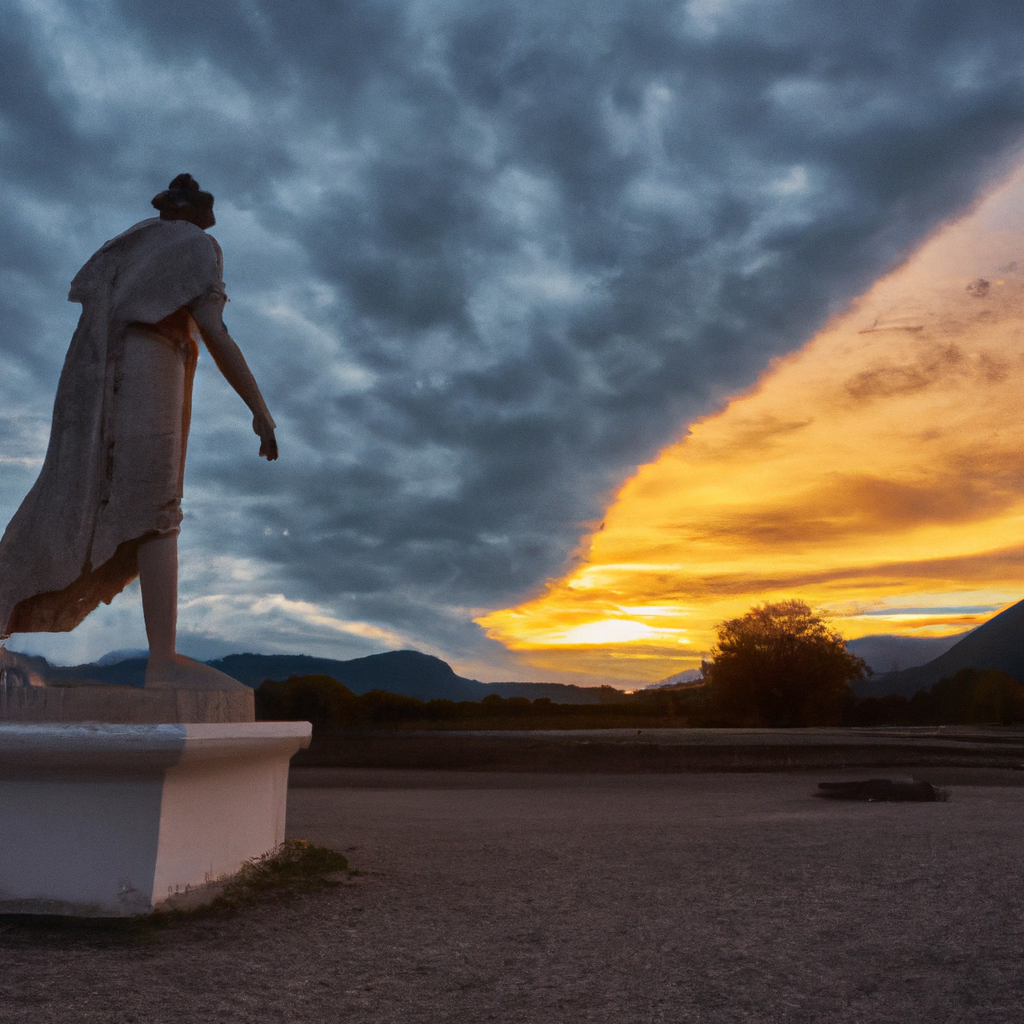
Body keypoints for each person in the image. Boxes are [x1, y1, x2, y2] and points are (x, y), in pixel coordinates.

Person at [0, 175, 276, 690]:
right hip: (152, 365)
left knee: (83, 497)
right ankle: (162, 660)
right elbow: (215, 331)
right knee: (157, 511)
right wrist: (259, 409)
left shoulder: (132, 242)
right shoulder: (199, 246)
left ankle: (161, 656)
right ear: (198, 215)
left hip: (105, 372)